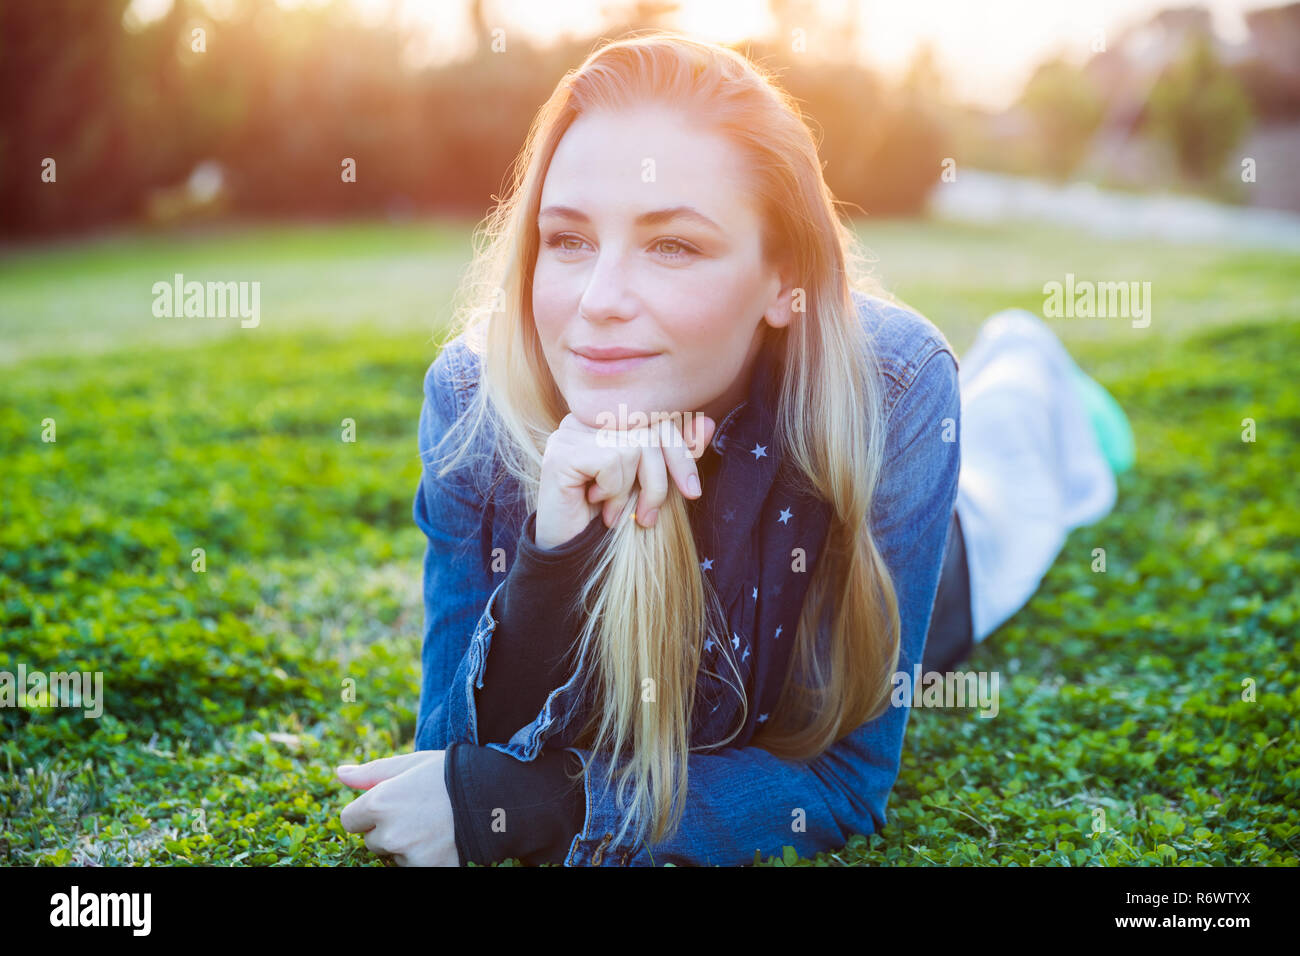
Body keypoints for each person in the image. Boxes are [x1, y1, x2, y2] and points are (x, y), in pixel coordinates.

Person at [335, 31, 1134, 867]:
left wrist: (550, 805)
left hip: (954, 553)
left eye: (672, 245)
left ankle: (1030, 361)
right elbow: (455, 756)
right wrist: (555, 556)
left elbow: (841, 782)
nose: (598, 302)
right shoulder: (475, 399)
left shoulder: (894, 388)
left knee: (1024, 452)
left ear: (783, 279)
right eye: (567, 240)